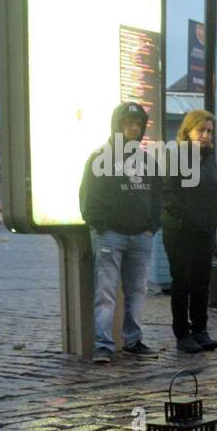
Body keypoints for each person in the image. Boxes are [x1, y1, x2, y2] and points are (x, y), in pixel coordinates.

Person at [80, 102, 162, 364]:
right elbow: (88, 196)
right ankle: (104, 344)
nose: (134, 128)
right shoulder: (100, 157)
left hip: (141, 236)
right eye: (128, 123)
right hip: (110, 235)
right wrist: (100, 225)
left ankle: (133, 341)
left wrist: (152, 226)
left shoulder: (147, 161)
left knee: (137, 291)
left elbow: (157, 195)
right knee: (106, 292)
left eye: (138, 124)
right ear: (117, 125)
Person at [163, 110, 217, 354]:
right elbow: (168, 193)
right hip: (180, 230)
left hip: (204, 230)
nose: (206, 136)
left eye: (210, 131)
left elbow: (213, 190)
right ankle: (183, 332)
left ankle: (200, 328)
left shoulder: (209, 158)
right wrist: (184, 219)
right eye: (201, 130)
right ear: (188, 132)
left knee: (202, 281)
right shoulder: (175, 156)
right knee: (182, 282)